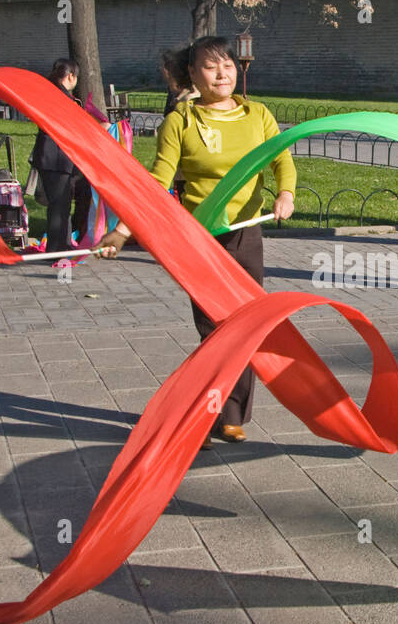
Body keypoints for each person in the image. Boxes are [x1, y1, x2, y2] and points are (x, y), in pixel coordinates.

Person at [96, 37, 296, 446]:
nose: (222, 74)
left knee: (245, 327)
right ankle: (204, 415)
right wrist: (122, 231)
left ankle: (233, 415)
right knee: (213, 332)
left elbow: (282, 159)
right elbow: (156, 184)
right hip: (199, 238)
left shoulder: (257, 114)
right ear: (192, 74)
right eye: (210, 67)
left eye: (227, 65)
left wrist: (285, 192)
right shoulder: (180, 121)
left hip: (246, 232)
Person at [28, 58, 83, 253]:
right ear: (70, 76)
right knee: (60, 205)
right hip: (57, 159)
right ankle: (58, 248)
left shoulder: (49, 93)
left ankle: (61, 245)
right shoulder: (62, 98)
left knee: (60, 204)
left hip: (50, 157)